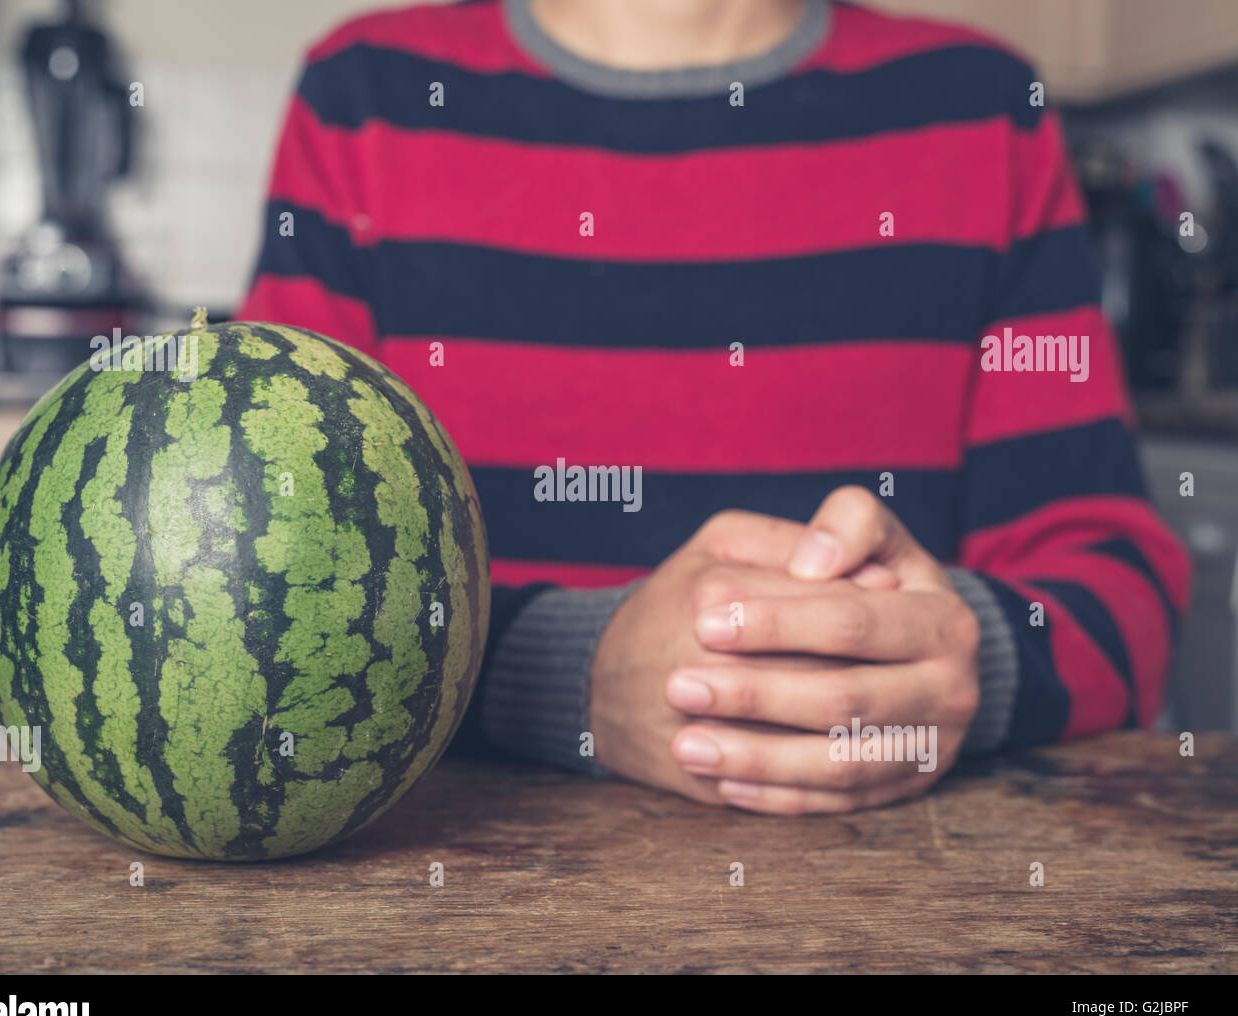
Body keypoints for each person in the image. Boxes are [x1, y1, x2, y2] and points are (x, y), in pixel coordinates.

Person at [238, 0, 1192, 814]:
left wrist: (950, 658)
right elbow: (264, 589)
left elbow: (1121, 595)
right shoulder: (363, 101)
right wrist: (569, 674)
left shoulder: (986, 113)